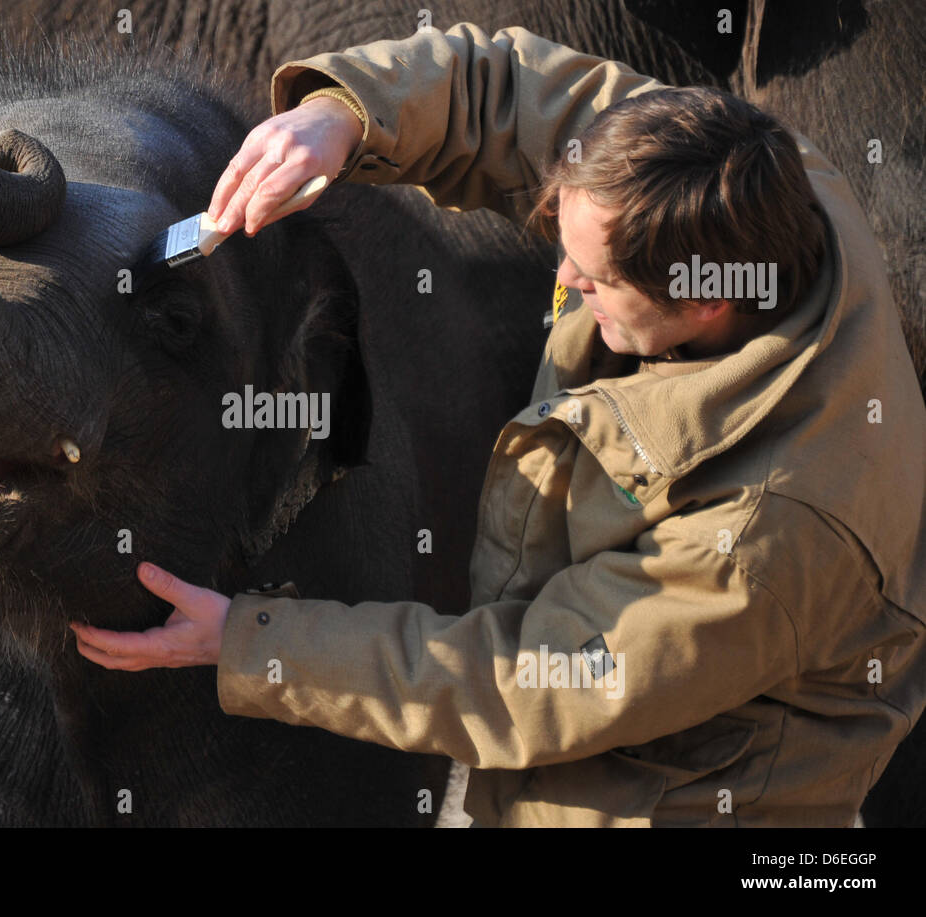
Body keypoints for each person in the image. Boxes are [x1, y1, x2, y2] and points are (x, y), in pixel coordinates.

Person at [71, 23, 926, 826]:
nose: (563, 279)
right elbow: (510, 90)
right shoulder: (759, 182)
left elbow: (527, 680)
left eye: (592, 280)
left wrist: (251, 643)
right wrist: (343, 116)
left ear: (703, 300)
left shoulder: (766, 537)